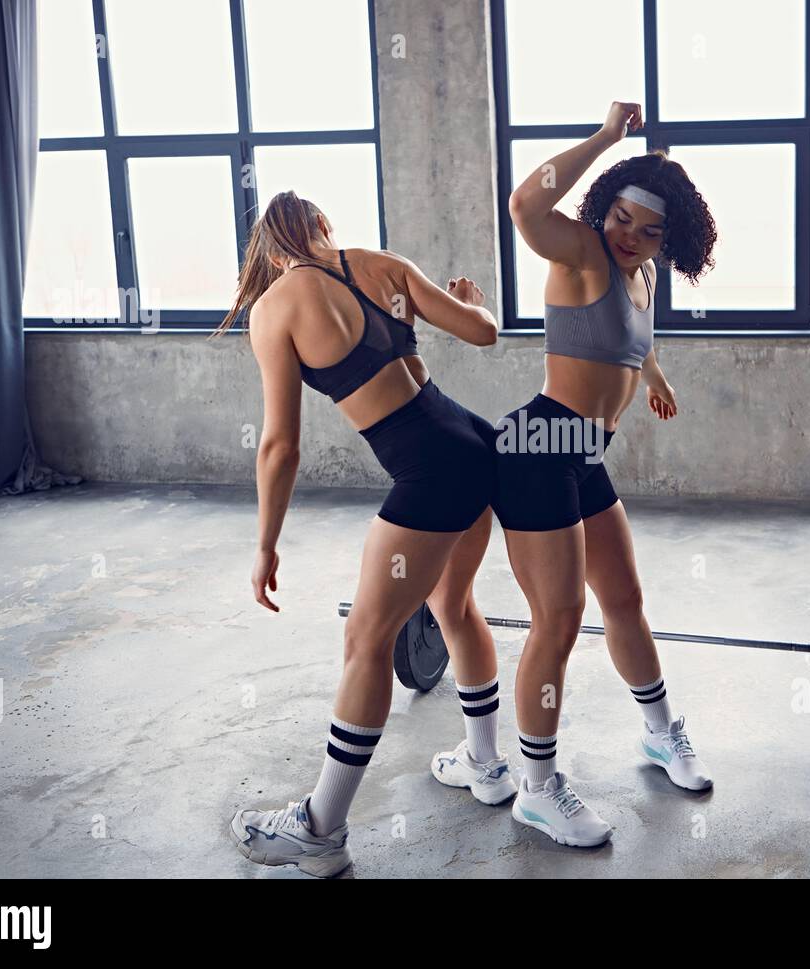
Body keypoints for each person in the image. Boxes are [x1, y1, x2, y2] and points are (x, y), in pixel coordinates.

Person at [216, 191, 513, 877]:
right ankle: (485, 763)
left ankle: (320, 827)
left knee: (366, 640)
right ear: (322, 226)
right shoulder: (383, 264)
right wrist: (476, 299)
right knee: (453, 606)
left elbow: (280, 447)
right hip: (474, 441)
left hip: (430, 471)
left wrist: (265, 542)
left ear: (269, 247)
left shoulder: (275, 309)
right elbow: (484, 331)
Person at [495, 101, 719, 846]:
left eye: (647, 229)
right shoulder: (584, 253)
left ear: (668, 237)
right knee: (557, 621)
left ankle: (660, 733)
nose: (628, 236)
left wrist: (652, 372)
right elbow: (525, 203)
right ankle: (536, 787)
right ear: (605, 209)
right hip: (536, 449)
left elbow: (631, 339)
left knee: (624, 597)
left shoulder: (643, 275)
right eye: (620, 217)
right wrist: (605, 137)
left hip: (582, 453)